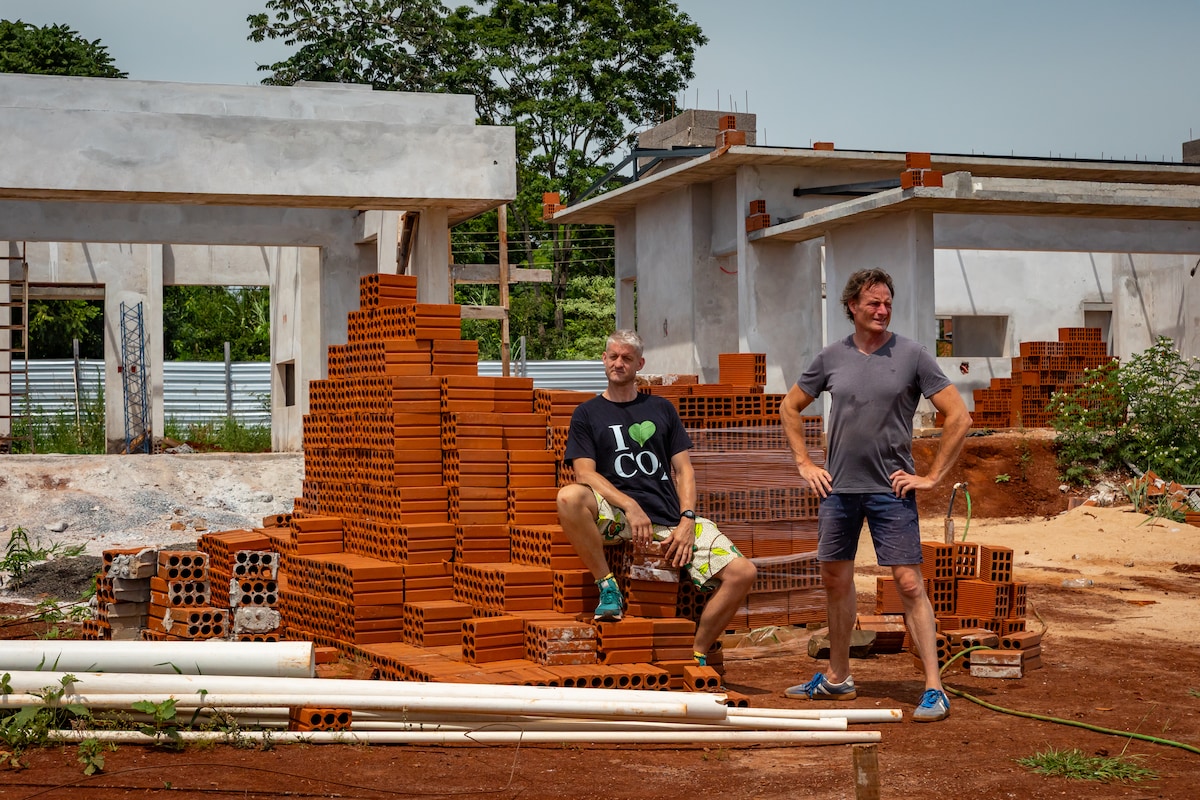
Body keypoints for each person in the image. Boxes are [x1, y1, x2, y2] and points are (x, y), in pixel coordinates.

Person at [779, 268, 971, 722]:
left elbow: (958, 416)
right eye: (873, 303)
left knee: (908, 583)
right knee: (835, 581)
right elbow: (789, 406)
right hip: (839, 489)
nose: (882, 310)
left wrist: (932, 476)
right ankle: (838, 678)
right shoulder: (830, 358)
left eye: (887, 303)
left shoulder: (912, 355)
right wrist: (805, 464)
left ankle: (933, 688)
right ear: (852, 307)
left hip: (891, 490)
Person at [556, 329, 757, 665]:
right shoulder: (587, 414)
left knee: (744, 572)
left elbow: (685, 471)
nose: (619, 363)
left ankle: (696, 653)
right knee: (569, 497)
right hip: (617, 516)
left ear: (639, 364)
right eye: (613, 356)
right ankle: (608, 588)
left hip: (668, 516)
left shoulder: (661, 409)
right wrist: (630, 505)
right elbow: (585, 473)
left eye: (627, 358)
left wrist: (687, 520)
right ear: (604, 359)